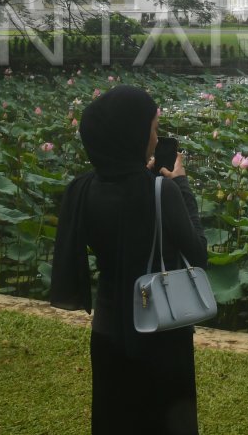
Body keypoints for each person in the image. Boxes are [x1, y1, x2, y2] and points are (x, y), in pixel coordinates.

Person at [50, 86, 207, 435]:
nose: (155, 138)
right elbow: (198, 253)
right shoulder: (161, 192)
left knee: (116, 416)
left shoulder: (82, 189)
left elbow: (124, 219)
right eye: (152, 128)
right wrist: (180, 186)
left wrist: (148, 177)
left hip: (107, 327)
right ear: (133, 133)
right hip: (160, 327)